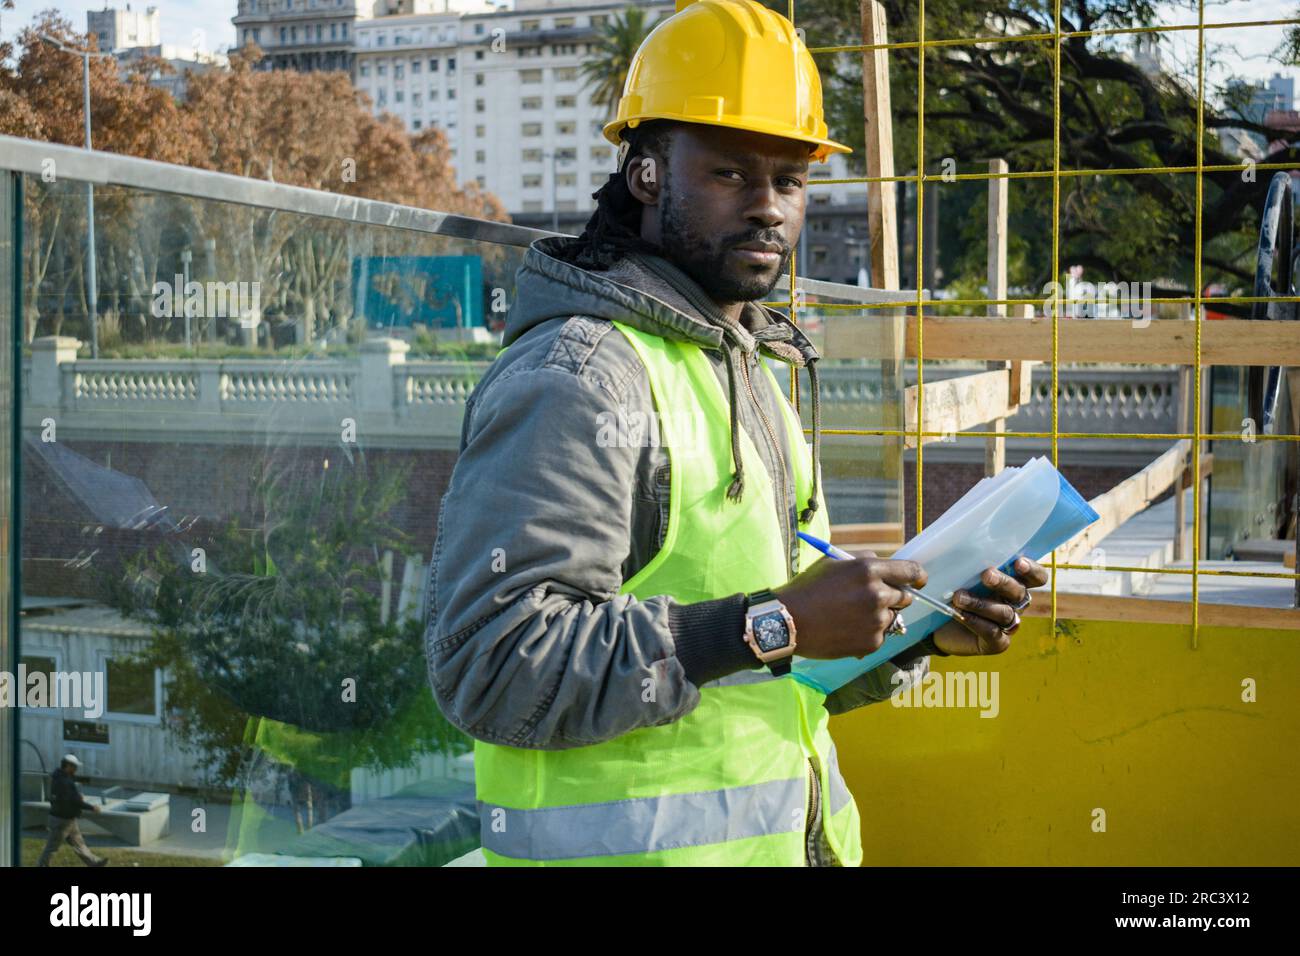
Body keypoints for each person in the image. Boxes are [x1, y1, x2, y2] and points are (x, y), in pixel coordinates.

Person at [423, 0, 1049, 866]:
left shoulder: (750, 371)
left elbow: (771, 663)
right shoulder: (578, 379)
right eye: (729, 174)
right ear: (646, 173)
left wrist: (917, 630)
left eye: (789, 181)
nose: (767, 208)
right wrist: (777, 620)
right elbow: (489, 664)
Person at [36, 754, 107, 867]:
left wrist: (77, 796)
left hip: (68, 819)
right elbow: (74, 801)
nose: (76, 769)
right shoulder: (64, 782)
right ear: (68, 766)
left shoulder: (59, 777)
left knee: (79, 844)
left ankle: (94, 863)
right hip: (61, 820)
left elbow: (67, 797)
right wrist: (92, 807)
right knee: (52, 848)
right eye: (75, 767)